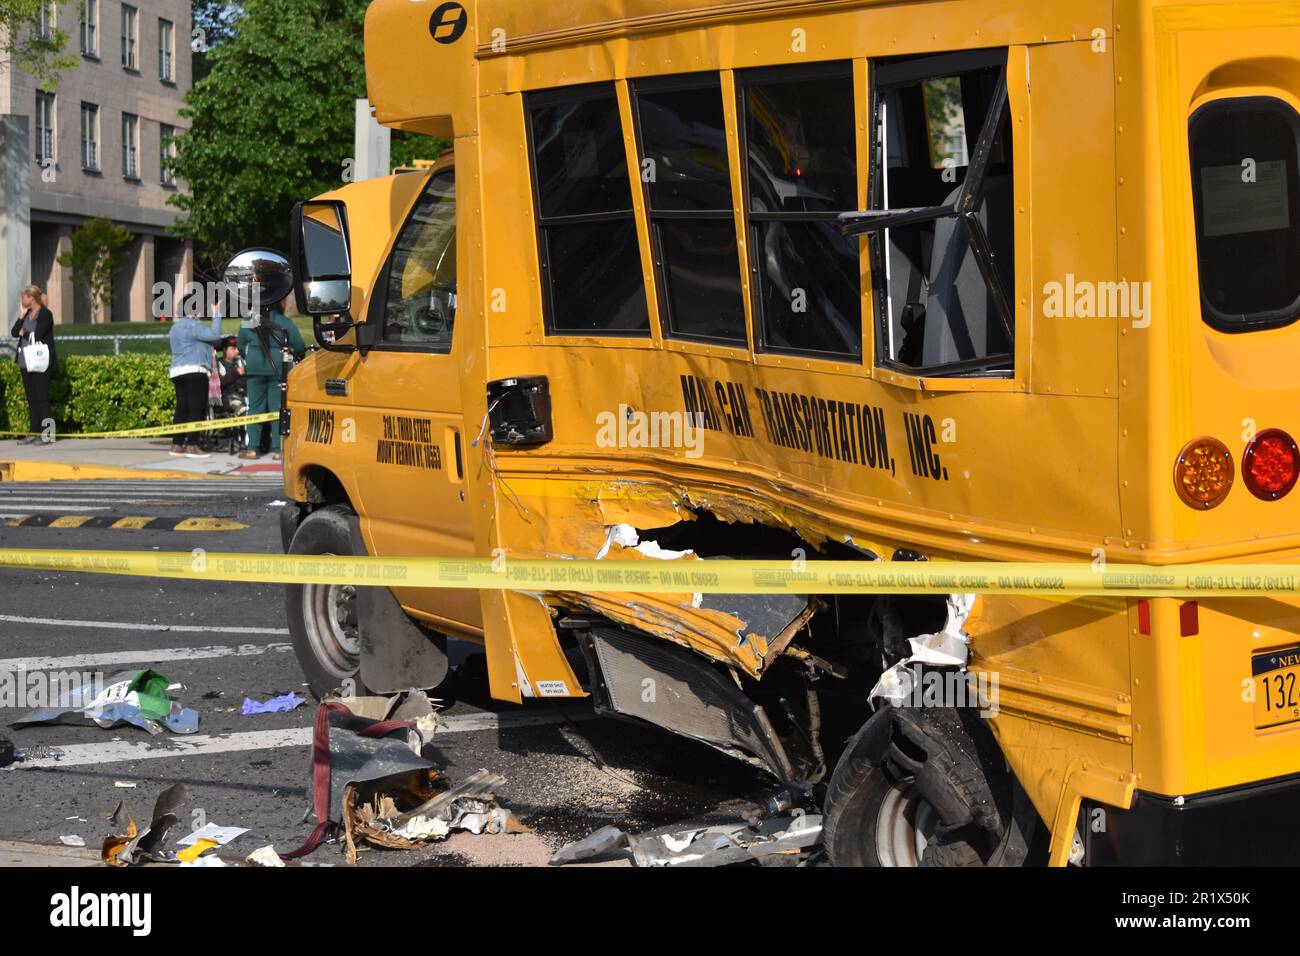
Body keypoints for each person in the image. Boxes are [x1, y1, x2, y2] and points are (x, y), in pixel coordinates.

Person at [237, 300, 305, 461]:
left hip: (254, 367)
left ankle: (252, 448)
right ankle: (278, 450)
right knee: (277, 409)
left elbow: (241, 344)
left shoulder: (249, 320)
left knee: (254, 408)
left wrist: (249, 359)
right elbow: (299, 344)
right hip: (278, 367)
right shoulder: (284, 321)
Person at [168, 306, 224, 457]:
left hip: (177, 371)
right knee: (196, 409)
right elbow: (215, 335)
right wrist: (216, 314)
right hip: (195, 370)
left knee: (181, 409)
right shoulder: (194, 326)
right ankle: (192, 446)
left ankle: (177, 445)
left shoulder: (174, 328)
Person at [10, 284, 56, 446]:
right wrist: (21, 316)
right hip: (25, 362)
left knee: (42, 398)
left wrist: (25, 332)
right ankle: (34, 432)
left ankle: (48, 434)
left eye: (23, 297)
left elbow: (38, 334)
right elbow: (15, 332)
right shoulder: (27, 314)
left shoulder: (45, 314)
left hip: (40, 362)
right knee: (32, 399)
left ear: (31, 298)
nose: (22, 300)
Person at [216, 336, 245, 405]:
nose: (237, 351)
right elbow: (219, 383)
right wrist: (236, 373)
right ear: (224, 350)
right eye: (233, 348)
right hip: (227, 397)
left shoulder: (242, 362)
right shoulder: (218, 365)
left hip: (244, 395)